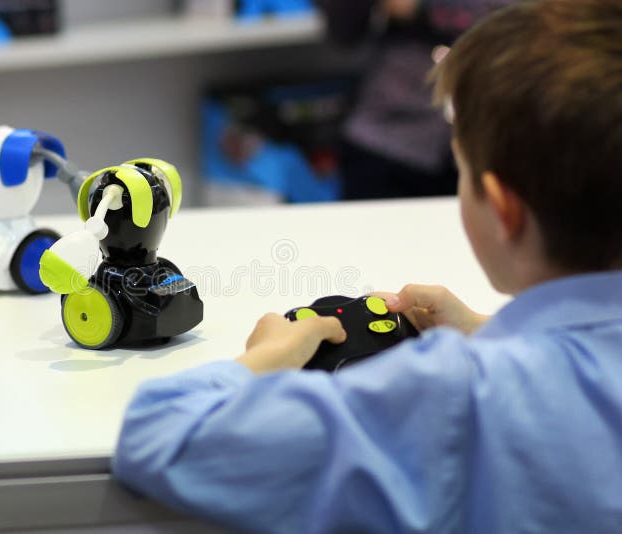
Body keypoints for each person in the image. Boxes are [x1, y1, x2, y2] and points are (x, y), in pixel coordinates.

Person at [112, 1, 622, 532]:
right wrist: (484, 331)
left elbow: (157, 432)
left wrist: (267, 358)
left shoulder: (454, 395)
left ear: (503, 209)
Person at [317, 0, 512, 200]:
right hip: (388, 136)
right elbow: (343, 32)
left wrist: (422, 8)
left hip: (489, 140)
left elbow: (522, 23)